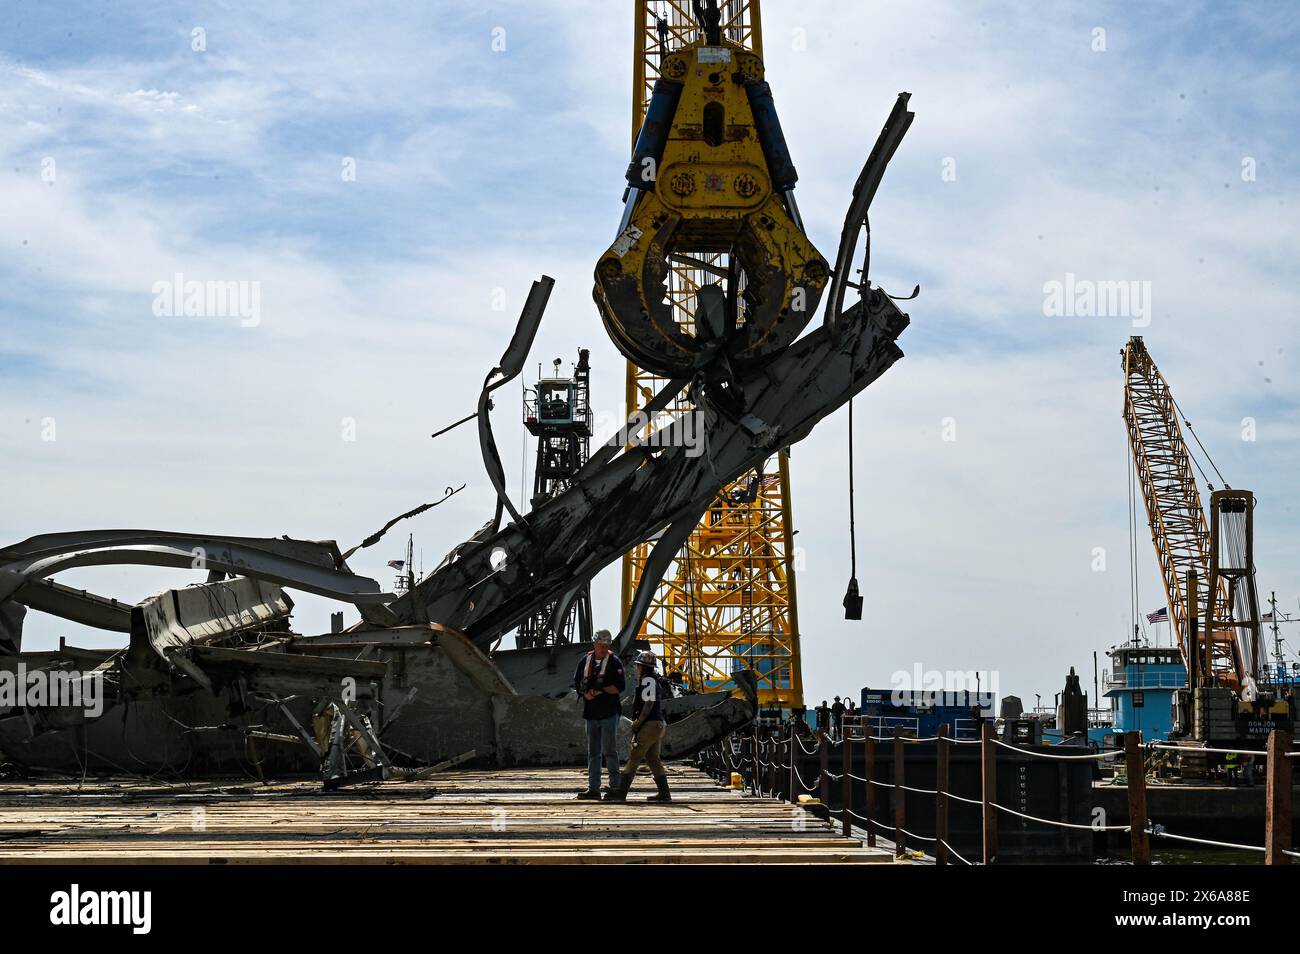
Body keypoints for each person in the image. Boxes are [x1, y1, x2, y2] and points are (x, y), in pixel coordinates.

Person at [605, 650, 671, 803]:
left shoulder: (648, 680)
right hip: (657, 725)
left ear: (643, 666)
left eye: (638, 665)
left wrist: (638, 721)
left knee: (634, 757)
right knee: (653, 760)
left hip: (649, 725)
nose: (636, 667)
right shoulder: (652, 680)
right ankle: (664, 794)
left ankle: (620, 793)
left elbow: (649, 703)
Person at [572, 629, 625, 800]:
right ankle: (593, 789)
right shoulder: (585, 661)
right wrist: (585, 694)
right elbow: (577, 682)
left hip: (609, 713)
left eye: (605, 646)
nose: (603, 649)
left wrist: (600, 691)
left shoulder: (614, 662)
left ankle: (615, 787)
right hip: (592, 714)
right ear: (594, 645)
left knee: (609, 750)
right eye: (600, 646)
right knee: (593, 752)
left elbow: (619, 687)